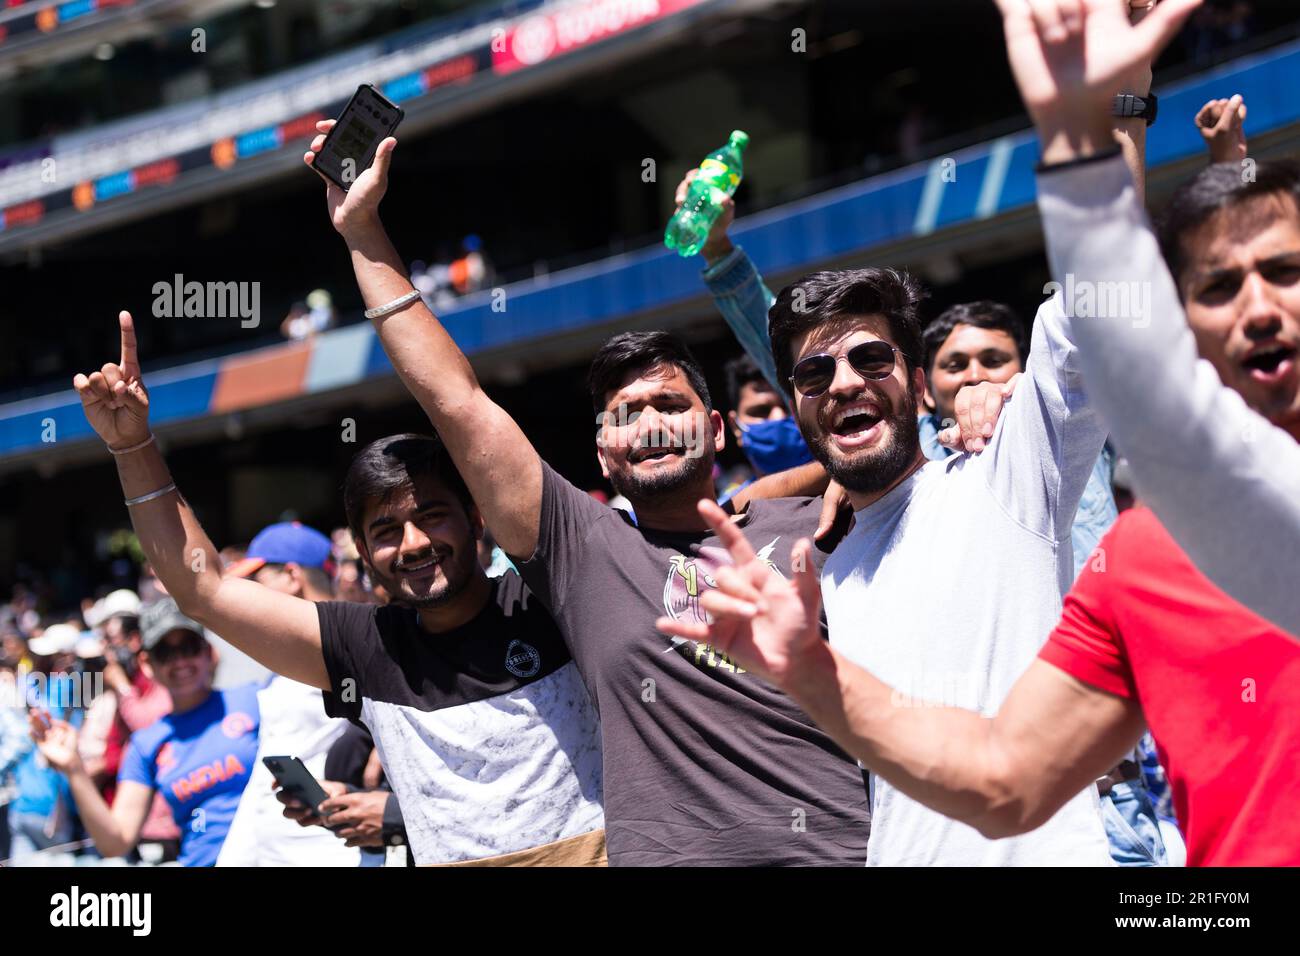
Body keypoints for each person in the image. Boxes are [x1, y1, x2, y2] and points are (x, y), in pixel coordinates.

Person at [665, 0, 1300, 868]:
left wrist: (1104, 117)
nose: (843, 382)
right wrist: (805, 664)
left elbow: (1093, 315)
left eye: (870, 360)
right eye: (813, 376)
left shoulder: (1010, 476)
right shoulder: (814, 581)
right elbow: (997, 781)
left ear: (917, 382)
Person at [304, 126, 872, 866]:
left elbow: (856, 406)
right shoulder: (583, 552)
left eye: (670, 405)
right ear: (603, 452)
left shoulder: (826, 518)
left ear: (718, 427)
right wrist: (363, 233)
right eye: (625, 415)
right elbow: (456, 401)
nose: (650, 425)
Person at [69, 316, 605, 864]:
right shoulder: (363, 647)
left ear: (476, 519)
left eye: (433, 516)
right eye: (386, 532)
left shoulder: (552, 602)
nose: (414, 543)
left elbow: (462, 405)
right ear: (364, 553)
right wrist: (133, 447)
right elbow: (201, 589)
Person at [1016, 0, 1300, 637]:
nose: (1257, 309)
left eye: (1286, 274)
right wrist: (1121, 102)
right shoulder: (1142, 574)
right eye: (1221, 290)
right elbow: (1107, 303)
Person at [29, 599, 260, 866]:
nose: (180, 661)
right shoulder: (145, 744)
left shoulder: (254, 701)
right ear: (147, 663)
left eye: (189, 647)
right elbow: (115, 841)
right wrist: (73, 767)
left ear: (209, 653)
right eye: (165, 653)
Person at [216, 522, 359, 867]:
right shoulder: (281, 658)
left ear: (292, 576)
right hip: (273, 851)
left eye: (258, 579)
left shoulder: (357, 646)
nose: (248, 593)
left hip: (336, 853)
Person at [717, 354, 815, 505]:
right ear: (735, 427)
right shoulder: (726, 513)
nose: (778, 417)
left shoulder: (854, 490)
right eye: (761, 411)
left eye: (788, 408)